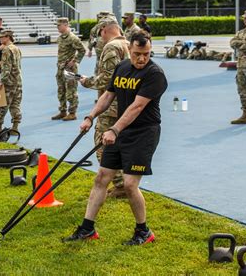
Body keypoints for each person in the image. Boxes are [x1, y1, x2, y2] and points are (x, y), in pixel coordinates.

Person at [64, 31, 168, 245]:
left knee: (130, 184)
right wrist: (90, 116)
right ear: (129, 49)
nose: (142, 59)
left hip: (143, 132)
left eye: (146, 54)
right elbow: (108, 95)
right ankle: (87, 229)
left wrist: (113, 130)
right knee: (102, 177)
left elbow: (136, 107)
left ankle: (144, 232)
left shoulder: (154, 74)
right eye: (138, 54)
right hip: (120, 129)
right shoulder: (122, 67)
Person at [80, 17, 130, 198]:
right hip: (127, 105)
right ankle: (124, 182)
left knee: (102, 145)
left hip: (112, 105)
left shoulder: (111, 47)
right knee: (119, 144)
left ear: (103, 30)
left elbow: (108, 79)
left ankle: (120, 184)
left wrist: (86, 81)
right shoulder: (128, 44)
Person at [52, 17, 86, 121]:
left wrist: (74, 61)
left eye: (59, 25)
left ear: (66, 25)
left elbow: (82, 50)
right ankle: (63, 111)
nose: (57, 27)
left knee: (71, 90)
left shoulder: (72, 38)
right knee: (61, 90)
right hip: (61, 67)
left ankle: (72, 113)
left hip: (70, 69)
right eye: (57, 25)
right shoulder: (61, 37)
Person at [0, 30, 22, 134]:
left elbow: (7, 68)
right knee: (15, 104)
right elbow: (15, 65)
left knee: (1, 104)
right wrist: (3, 64)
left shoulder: (6, 50)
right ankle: (15, 127)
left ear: (8, 37)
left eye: (2, 37)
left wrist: (2, 81)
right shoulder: (16, 48)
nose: (0, 39)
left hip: (8, 81)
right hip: (17, 80)